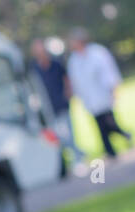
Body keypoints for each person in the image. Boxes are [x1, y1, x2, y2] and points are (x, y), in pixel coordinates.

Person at [66, 27, 133, 157]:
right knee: (99, 125)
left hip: (103, 94)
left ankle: (121, 137)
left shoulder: (97, 52)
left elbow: (109, 72)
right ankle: (110, 150)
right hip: (89, 98)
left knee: (109, 122)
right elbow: (74, 80)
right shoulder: (74, 60)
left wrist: (113, 89)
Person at [30, 38, 85, 170]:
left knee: (69, 134)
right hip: (48, 108)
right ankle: (79, 152)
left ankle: (77, 159)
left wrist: (68, 92)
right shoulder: (34, 69)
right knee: (59, 137)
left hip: (62, 103)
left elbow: (66, 78)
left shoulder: (56, 63)